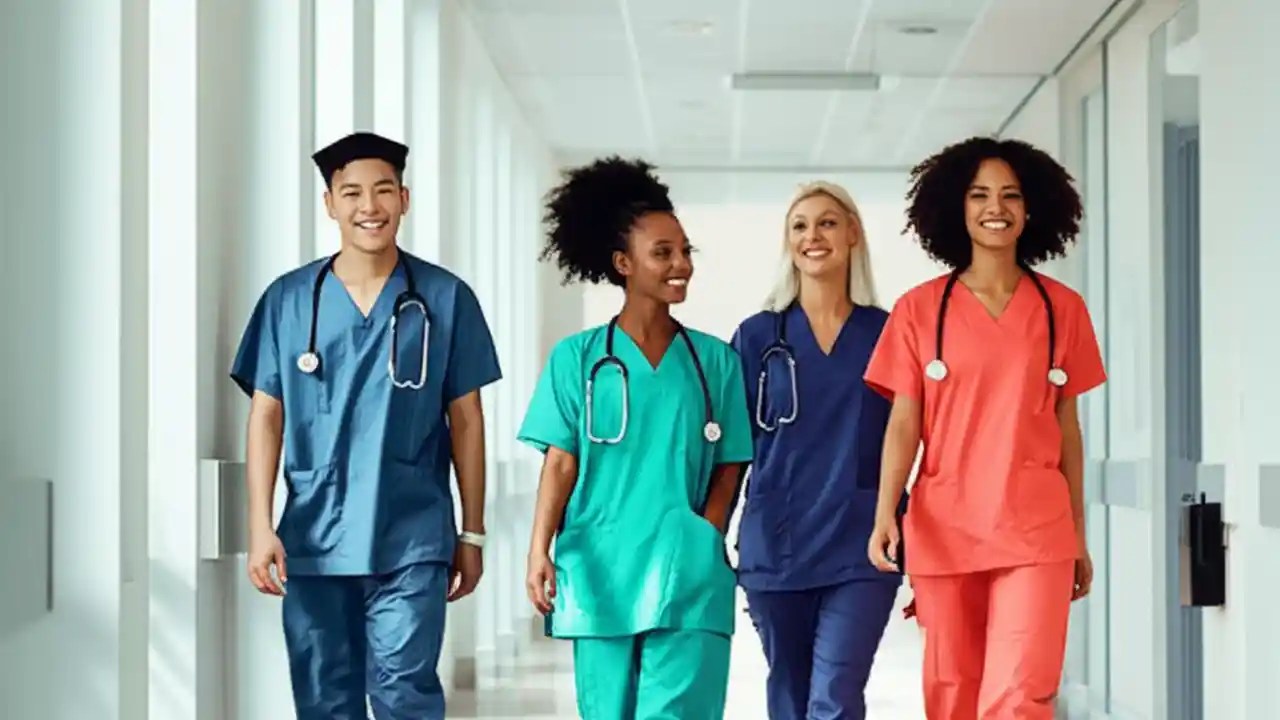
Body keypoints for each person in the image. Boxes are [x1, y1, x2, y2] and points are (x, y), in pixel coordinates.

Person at [229, 131, 502, 720]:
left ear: (404, 199)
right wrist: (259, 524)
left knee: (405, 693)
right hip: (313, 537)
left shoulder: (445, 297)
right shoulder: (289, 300)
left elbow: (467, 422)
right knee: (325, 701)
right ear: (330, 204)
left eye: (382, 190)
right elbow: (266, 414)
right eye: (351, 192)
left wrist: (472, 532)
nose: (369, 206)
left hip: (412, 535)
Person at [864, 136, 1106, 719]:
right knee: (952, 694)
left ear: (1030, 209)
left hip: (1035, 528)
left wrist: (1077, 532)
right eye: (979, 195)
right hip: (946, 526)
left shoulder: (1061, 307)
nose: (995, 207)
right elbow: (904, 423)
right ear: (957, 207)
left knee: (1020, 694)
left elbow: (1066, 427)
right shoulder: (920, 310)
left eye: (1010, 195)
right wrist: (884, 513)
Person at [516, 156, 753, 719]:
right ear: (624, 263)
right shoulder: (576, 359)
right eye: (663, 253)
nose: (681, 265)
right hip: (598, 567)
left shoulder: (713, 361)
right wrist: (538, 551)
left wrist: (705, 533)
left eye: (686, 251)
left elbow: (732, 460)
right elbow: (560, 463)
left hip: (685, 567)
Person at [730, 180, 905, 720]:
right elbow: (734, 448)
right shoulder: (759, 336)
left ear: (853, 233)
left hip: (863, 541)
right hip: (776, 541)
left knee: (836, 696)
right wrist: (710, 533)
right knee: (789, 692)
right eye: (800, 226)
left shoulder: (889, 332)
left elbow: (913, 431)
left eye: (828, 222)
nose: (814, 235)